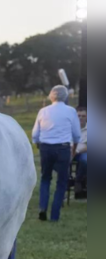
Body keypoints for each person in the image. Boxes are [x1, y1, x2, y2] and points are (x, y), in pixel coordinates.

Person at [32, 86, 82, 222]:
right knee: (62, 181)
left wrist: (39, 144)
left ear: (51, 96)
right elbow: (77, 134)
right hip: (63, 148)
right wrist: (74, 149)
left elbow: (35, 134)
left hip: (46, 147)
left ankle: (42, 207)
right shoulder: (70, 111)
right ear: (65, 96)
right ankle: (55, 215)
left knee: (45, 178)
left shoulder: (43, 111)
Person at [75, 106, 88, 200]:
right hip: (71, 150)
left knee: (85, 160)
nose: (81, 118)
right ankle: (66, 182)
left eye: (83, 116)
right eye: (78, 116)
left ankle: (78, 180)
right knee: (63, 161)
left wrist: (78, 150)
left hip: (83, 151)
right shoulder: (71, 127)